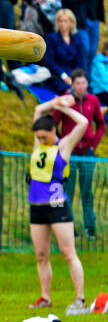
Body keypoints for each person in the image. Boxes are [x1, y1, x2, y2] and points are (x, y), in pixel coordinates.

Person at [26, 96, 92, 315]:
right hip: (36, 205)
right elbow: (38, 109)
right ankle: (45, 297)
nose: (41, 140)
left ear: (54, 131)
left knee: (68, 253)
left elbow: (83, 123)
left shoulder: (64, 145)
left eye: (44, 136)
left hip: (56, 204)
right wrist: (54, 102)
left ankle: (80, 299)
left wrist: (65, 109)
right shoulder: (39, 142)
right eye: (38, 137)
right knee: (41, 255)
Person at [61, 69, 104, 240]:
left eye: (83, 83)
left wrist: (94, 145)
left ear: (87, 84)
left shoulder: (93, 100)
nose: (81, 86)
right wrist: (62, 144)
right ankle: (70, 229)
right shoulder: (65, 100)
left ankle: (90, 228)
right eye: (77, 83)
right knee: (68, 191)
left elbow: (101, 124)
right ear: (72, 84)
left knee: (87, 191)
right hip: (69, 153)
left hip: (87, 152)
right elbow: (54, 121)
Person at [45, 9, 87, 90]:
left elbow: (80, 62)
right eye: (60, 21)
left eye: (65, 21)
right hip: (57, 74)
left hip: (73, 74)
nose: (62, 24)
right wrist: (63, 76)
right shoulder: (51, 38)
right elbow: (50, 62)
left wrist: (76, 78)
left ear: (71, 23)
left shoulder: (77, 39)